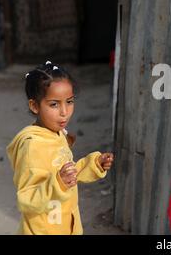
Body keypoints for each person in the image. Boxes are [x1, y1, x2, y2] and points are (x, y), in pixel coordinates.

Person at [7, 61, 114, 235]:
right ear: (34, 106)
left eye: (69, 101)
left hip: (66, 225)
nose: (64, 111)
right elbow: (26, 199)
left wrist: (93, 164)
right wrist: (58, 183)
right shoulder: (32, 146)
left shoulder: (57, 134)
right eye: (54, 104)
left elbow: (67, 174)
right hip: (43, 230)